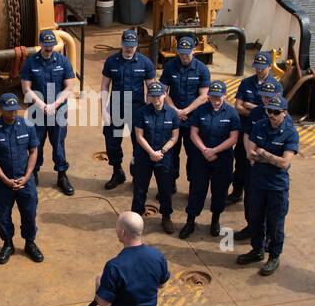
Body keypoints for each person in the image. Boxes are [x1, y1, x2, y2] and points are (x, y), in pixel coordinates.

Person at [237, 97, 299, 276]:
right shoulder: (260, 126)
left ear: (284, 112)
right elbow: (251, 153)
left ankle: (274, 255)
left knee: (275, 223)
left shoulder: (290, 133)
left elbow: (284, 163)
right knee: (255, 219)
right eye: (269, 111)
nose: (271, 115)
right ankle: (257, 250)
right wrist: (268, 157)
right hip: (257, 182)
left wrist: (265, 154)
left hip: (276, 187)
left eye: (276, 112)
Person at [0, 93, 44, 264]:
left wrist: (27, 176)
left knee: (29, 213)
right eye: (9, 111)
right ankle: (7, 243)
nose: (13, 114)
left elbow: (33, 151)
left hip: (25, 181)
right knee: (3, 214)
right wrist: (4, 179)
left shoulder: (27, 126)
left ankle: (30, 243)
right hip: (3, 183)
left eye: (15, 110)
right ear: (2, 109)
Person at [20, 28, 78, 196]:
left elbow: (69, 87)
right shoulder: (30, 63)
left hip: (58, 111)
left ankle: (61, 175)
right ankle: (33, 173)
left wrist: (55, 105)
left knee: (58, 143)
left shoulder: (63, 61)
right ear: (40, 44)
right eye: (46, 45)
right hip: (38, 111)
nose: (49, 48)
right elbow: (26, 89)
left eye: (51, 45)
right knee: (35, 143)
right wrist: (42, 105)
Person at [181, 80, 239, 239]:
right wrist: (205, 150)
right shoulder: (201, 111)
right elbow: (193, 133)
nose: (215, 100)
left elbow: (233, 138)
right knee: (197, 189)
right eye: (212, 96)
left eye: (218, 97)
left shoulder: (232, 113)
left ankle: (215, 220)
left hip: (223, 159)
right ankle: (190, 221)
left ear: (225, 96)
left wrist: (214, 150)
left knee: (219, 191)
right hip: (201, 157)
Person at [99, 29, 155, 190]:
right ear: (121, 43)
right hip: (116, 108)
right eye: (126, 45)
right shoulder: (112, 62)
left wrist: (150, 111)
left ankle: (137, 175)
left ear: (137, 45)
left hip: (137, 110)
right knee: (112, 142)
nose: (129, 49)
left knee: (139, 143)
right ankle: (117, 172)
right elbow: (104, 86)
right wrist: (104, 110)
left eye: (132, 46)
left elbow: (151, 88)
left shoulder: (145, 63)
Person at [234, 77, 284, 242]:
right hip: (253, 165)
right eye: (263, 96)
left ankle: (268, 239)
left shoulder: (284, 119)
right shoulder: (256, 113)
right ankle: (252, 227)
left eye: (269, 97)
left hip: (271, 170)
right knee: (251, 199)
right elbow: (247, 132)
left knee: (270, 208)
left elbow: (285, 156)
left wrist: (264, 155)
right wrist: (249, 152)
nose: (266, 100)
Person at [159, 34, 211, 186]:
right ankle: (170, 183)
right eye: (181, 53)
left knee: (194, 154)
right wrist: (175, 110)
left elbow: (204, 96)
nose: (184, 56)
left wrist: (186, 111)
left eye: (187, 53)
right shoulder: (170, 66)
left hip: (193, 119)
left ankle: (193, 184)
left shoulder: (201, 69)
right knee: (171, 152)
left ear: (193, 51)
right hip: (173, 117)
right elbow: (163, 91)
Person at [131, 81, 180, 233]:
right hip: (144, 157)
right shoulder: (141, 112)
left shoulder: (172, 114)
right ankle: (135, 217)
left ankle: (166, 217)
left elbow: (174, 137)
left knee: (165, 189)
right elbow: (139, 136)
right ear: (149, 96)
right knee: (140, 188)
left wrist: (162, 151)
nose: (156, 98)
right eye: (153, 96)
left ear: (164, 95)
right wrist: (152, 152)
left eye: (159, 95)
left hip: (164, 158)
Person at [230, 51, 276, 206]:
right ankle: (237, 193)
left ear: (270, 66)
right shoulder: (246, 83)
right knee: (241, 164)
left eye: (262, 67)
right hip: (246, 130)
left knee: (260, 165)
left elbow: (272, 112)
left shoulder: (276, 86)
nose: (259, 70)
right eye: (257, 67)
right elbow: (238, 106)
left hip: (264, 135)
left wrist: (250, 106)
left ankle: (256, 197)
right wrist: (259, 110)